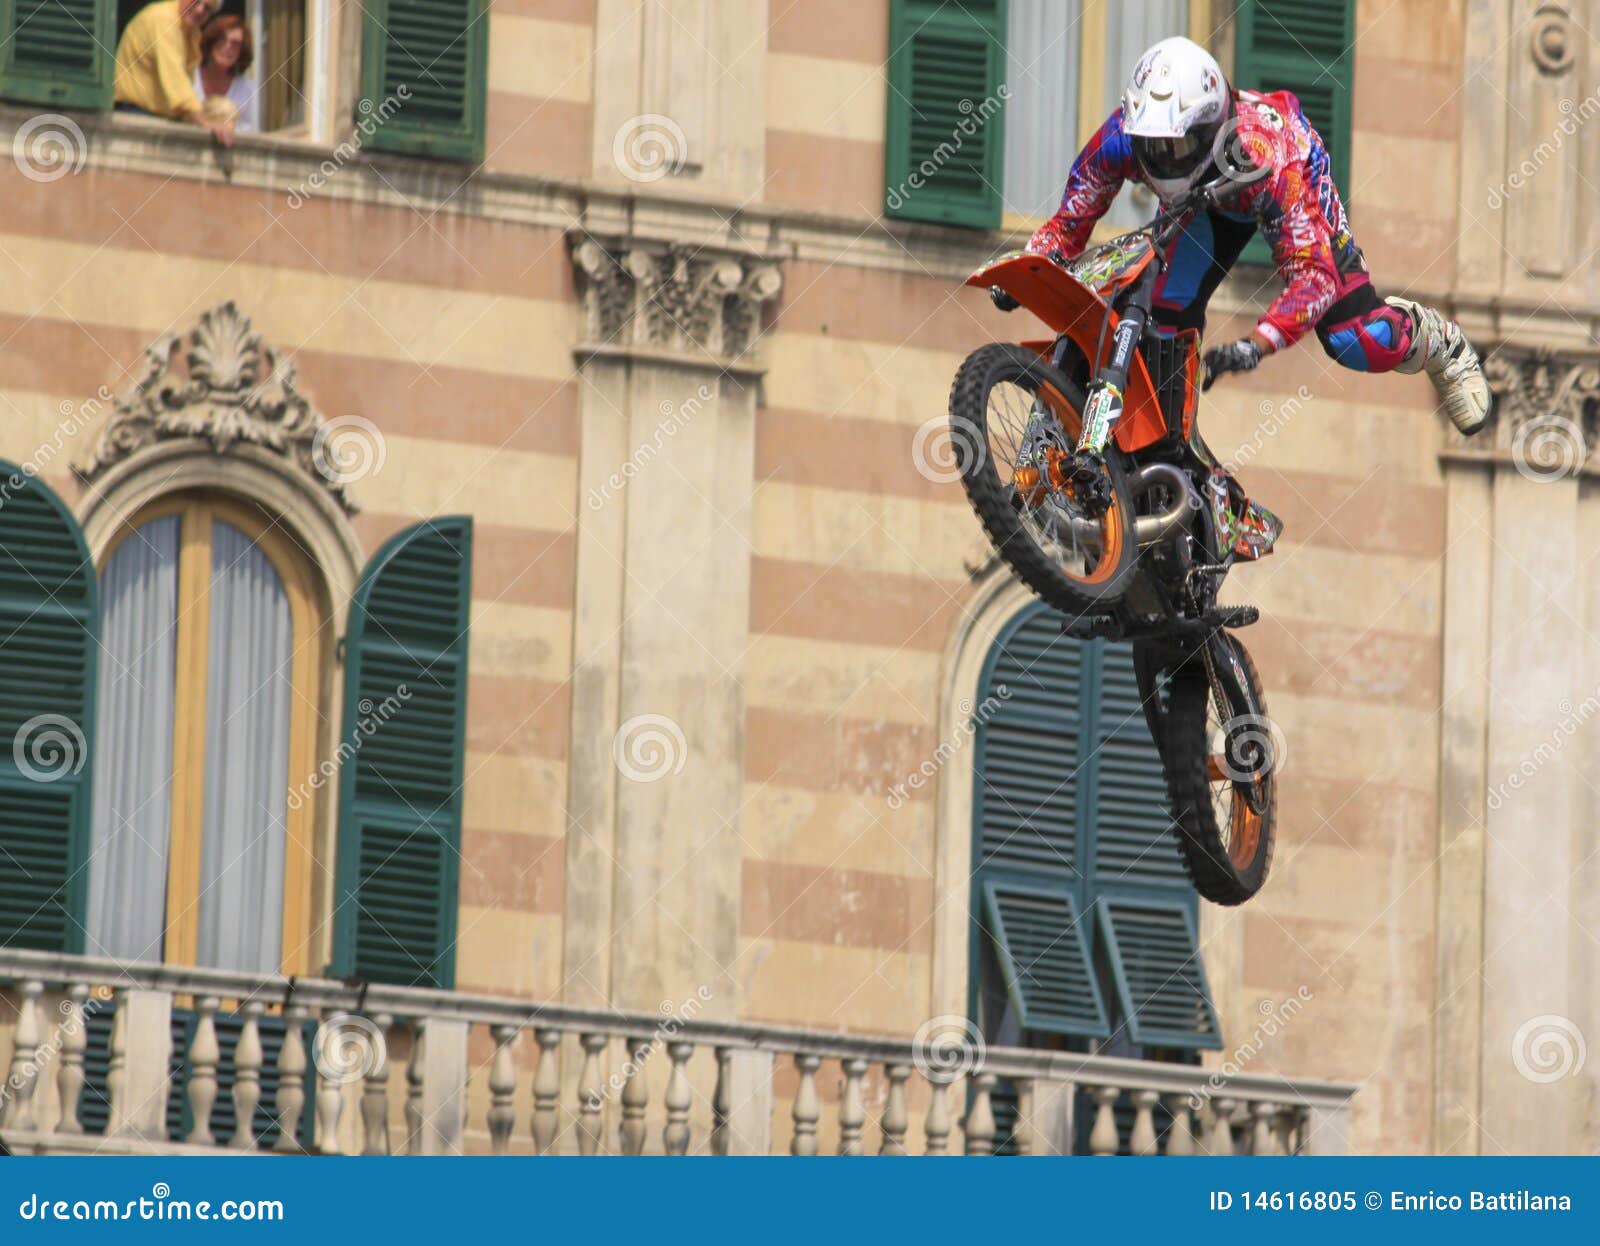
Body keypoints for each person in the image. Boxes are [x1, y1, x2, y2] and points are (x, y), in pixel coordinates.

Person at [1021, 36, 1489, 435]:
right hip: (1204, 204)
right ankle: (1164, 451)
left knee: (1356, 338)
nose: (1163, 157)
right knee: (1156, 315)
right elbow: (1068, 225)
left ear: (1209, 128)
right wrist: (1027, 268)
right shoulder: (1121, 137)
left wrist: (1257, 343)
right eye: (1153, 146)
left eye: (1178, 146)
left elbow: (1315, 279)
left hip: (1283, 182)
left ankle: (1437, 342)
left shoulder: (1269, 161)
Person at [113, 0, 235, 146]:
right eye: (196, 2)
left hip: (157, 116)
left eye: (207, 8)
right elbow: (175, 80)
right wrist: (205, 122)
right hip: (134, 113)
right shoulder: (164, 20)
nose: (199, 10)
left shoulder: (191, 32)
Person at [194, 14, 260, 133]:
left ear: (242, 51)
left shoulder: (249, 89)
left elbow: (252, 132)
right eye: (222, 39)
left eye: (235, 43)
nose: (227, 46)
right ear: (211, 42)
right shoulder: (191, 76)